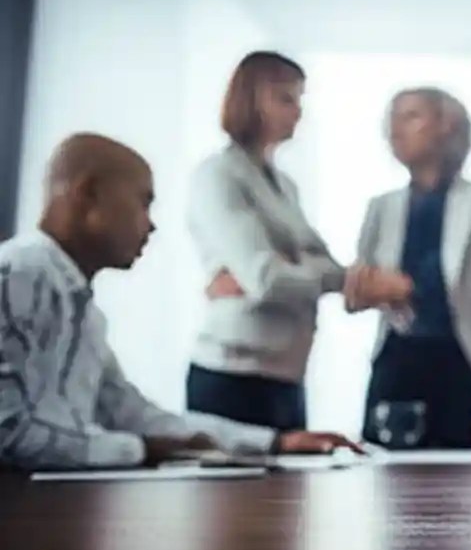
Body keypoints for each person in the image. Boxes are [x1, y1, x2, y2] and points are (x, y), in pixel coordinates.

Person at [0, 133, 361, 470]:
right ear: (88, 192)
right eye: (144, 202)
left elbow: (134, 415)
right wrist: (142, 449)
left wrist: (274, 442)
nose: (151, 226)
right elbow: (8, 435)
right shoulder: (17, 275)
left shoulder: (85, 313)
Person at [185, 51, 412, 431]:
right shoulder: (218, 175)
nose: (297, 113)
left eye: (299, 100)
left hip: (286, 374)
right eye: (285, 99)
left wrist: (296, 270)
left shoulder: (284, 184)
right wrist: (343, 281)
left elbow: (293, 267)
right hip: (233, 372)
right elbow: (267, 279)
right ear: (251, 99)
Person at [346, 87, 471, 450]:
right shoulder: (381, 207)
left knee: (464, 489)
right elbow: (354, 293)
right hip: (396, 361)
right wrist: (381, 289)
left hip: (460, 364)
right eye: (392, 119)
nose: (395, 129)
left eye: (410, 116)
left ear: (446, 125)